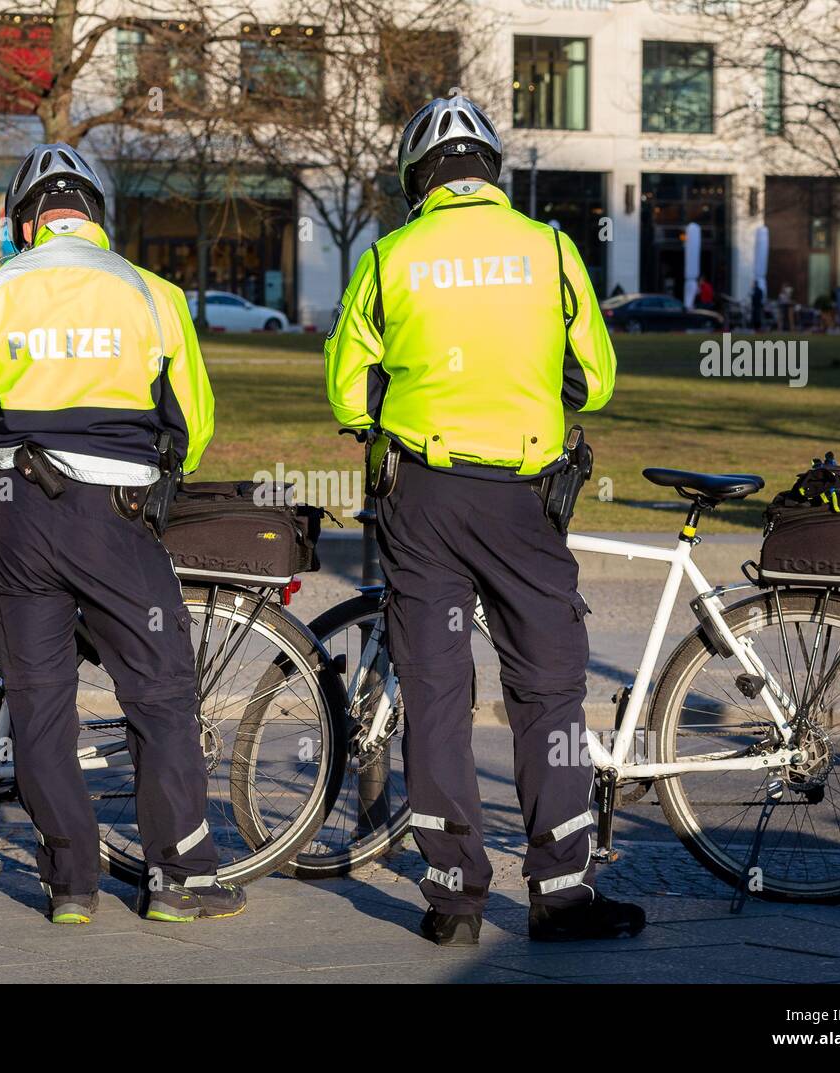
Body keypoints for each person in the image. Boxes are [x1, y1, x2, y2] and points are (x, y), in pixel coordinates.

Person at [323, 96, 644, 947]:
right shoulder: (551, 248)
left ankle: (454, 898)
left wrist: (398, 404)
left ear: (419, 178)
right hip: (524, 500)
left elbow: (348, 391)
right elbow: (595, 377)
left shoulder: (389, 257)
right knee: (550, 693)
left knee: (435, 694)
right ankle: (563, 893)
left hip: (423, 499)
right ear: (490, 169)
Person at [0, 142, 244, 926]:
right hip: (116, 517)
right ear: (98, 216)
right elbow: (195, 423)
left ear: (24, 223)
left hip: (18, 514)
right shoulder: (151, 292)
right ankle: (178, 877)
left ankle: (71, 884)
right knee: (161, 690)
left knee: (39, 701)